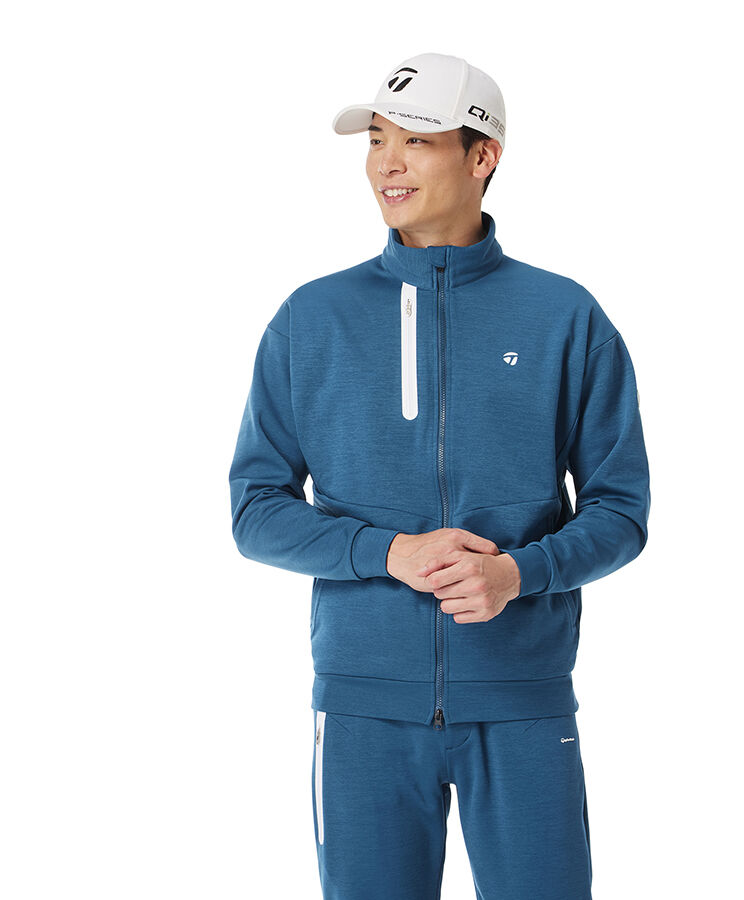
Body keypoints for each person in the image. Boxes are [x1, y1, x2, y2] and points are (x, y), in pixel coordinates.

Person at [228, 51, 650, 900]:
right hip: (364, 709)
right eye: (376, 140)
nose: (387, 163)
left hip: (524, 700)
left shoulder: (565, 316)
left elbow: (620, 510)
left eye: (416, 141)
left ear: (482, 156)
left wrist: (517, 573)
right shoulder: (312, 318)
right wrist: (389, 553)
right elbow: (256, 509)